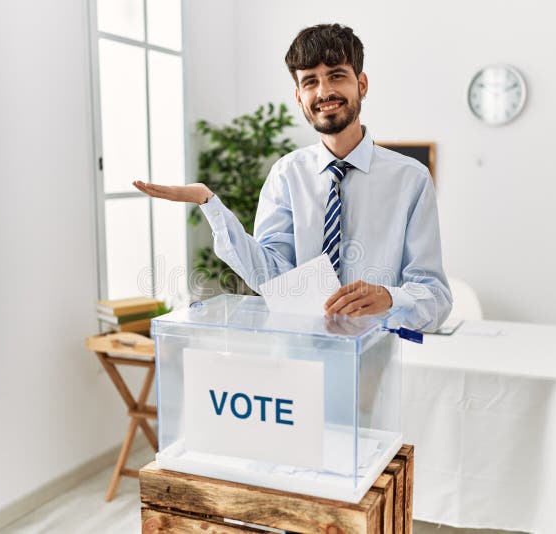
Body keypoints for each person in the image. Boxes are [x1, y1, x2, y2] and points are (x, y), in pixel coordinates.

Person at [134, 23, 452, 330]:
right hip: (302, 356)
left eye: (336, 76)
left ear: (362, 84)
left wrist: (388, 297)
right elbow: (272, 276)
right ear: (299, 97)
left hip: (379, 359)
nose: (324, 91)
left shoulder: (411, 179)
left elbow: (436, 299)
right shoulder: (286, 175)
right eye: (310, 81)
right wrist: (208, 202)